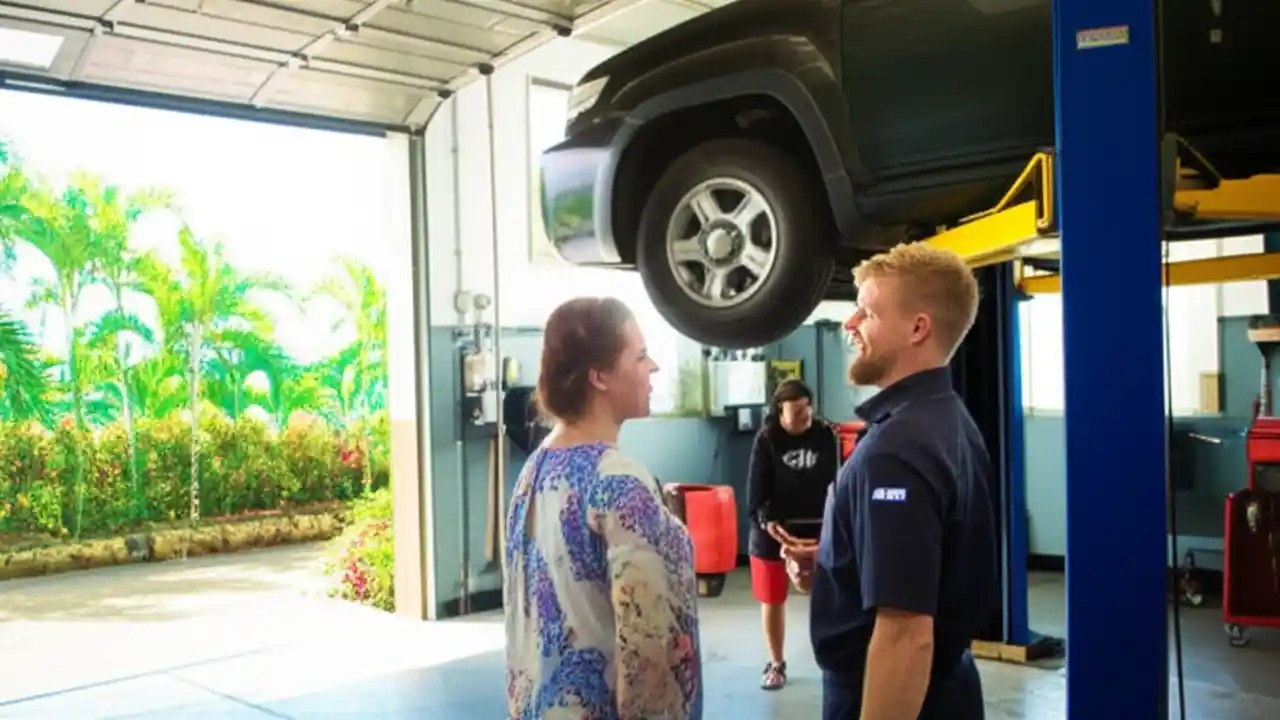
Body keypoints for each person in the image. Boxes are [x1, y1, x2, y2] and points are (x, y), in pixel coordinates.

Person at [782, 243, 998, 720]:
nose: (850, 324)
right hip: (949, 686)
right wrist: (838, 566)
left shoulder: (897, 450)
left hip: (894, 693)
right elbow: (934, 563)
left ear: (918, 328)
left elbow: (905, 635)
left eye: (868, 312)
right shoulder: (949, 421)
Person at [504, 296, 703, 720]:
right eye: (641, 356)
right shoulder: (619, 482)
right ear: (599, 377)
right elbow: (646, 646)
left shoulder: (533, 471)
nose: (653, 369)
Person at [745, 378, 840, 691]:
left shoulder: (825, 434)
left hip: (818, 527)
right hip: (775, 528)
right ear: (780, 412)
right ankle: (776, 662)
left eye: (807, 408)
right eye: (796, 410)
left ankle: (835, 659)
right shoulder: (767, 439)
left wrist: (829, 527)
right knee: (772, 597)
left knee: (830, 592)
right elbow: (757, 495)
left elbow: (835, 484)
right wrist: (769, 523)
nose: (805, 414)